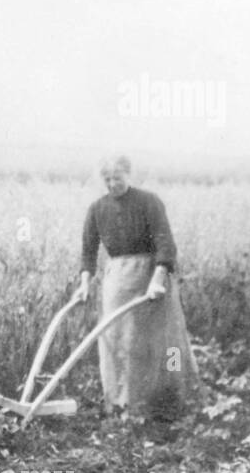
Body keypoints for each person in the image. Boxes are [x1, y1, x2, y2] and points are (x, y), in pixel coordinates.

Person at [76, 156, 198, 423]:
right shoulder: (97, 209)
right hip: (117, 282)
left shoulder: (149, 202)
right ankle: (122, 405)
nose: (111, 184)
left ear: (128, 175)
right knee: (120, 343)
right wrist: (85, 283)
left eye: (116, 178)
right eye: (106, 179)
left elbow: (166, 244)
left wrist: (158, 278)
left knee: (163, 343)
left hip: (151, 279)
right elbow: (88, 251)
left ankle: (168, 402)